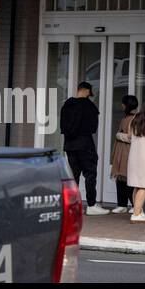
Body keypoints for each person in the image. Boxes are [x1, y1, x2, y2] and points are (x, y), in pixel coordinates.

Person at [59, 81, 106, 215]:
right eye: (89, 93)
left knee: (74, 175)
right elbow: (93, 128)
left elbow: (62, 126)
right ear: (86, 91)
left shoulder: (66, 105)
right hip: (85, 144)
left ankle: (71, 206)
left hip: (70, 145)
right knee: (90, 174)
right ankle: (91, 205)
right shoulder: (89, 106)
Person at [110, 95, 139, 213]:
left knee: (128, 177)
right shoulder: (126, 117)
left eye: (123, 103)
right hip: (121, 150)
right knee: (120, 177)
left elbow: (132, 137)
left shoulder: (135, 119)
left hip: (128, 151)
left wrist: (118, 135)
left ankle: (134, 204)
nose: (121, 105)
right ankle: (121, 204)